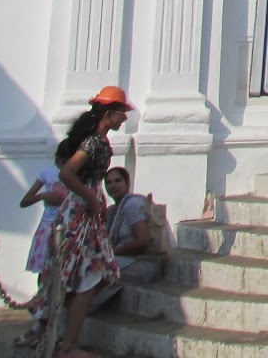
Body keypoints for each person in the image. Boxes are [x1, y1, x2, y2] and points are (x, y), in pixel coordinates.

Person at [51, 86, 134, 358]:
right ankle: (69, 345)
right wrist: (91, 197)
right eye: (121, 112)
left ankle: (65, 337)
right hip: (81, 211)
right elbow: (67, 172)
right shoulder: (94, 142)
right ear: (109, 114)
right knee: (91, 275)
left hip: (85, 209)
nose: (124, 118)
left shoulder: (98, 141)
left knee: (93, 274)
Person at [13, 162, 68, 348]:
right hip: (47, 228)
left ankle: (48, 327)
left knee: (59, 279)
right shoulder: (47, 174)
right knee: (43, 278)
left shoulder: (78, 174)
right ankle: (40, 325)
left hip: (66, 228)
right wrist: (44, 196)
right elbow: (25, 201)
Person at [91, 167, 160, 310]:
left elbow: (143, 242)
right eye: (109, 182)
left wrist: (112, 252)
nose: (113, 185)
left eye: (118, 181)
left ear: (127, 184)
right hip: (123, 260)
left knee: (97, 270)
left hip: (143, 263)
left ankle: (82, 307)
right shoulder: (112, 211)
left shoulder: (132, 205)